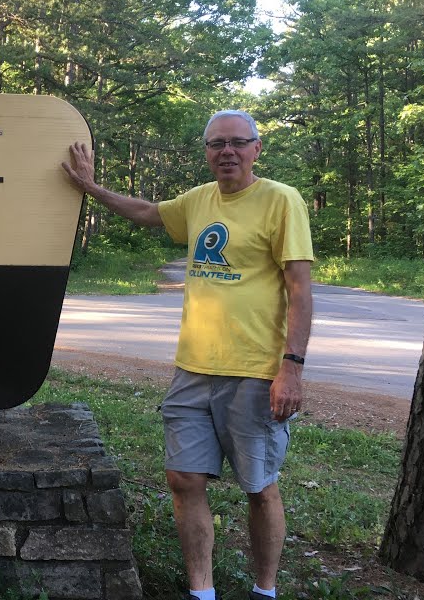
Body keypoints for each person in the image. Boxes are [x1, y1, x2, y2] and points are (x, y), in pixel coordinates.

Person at [61, 109, 313, 600]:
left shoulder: (281, 201)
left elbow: (300, 289)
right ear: (206, 152)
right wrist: (92, 189)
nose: (227, 151)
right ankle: (202, 593)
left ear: (257, 149)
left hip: (255, 372)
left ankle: (265, 590)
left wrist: (292, 367)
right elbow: (148, 212)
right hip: (193, 370)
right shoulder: (199, 201)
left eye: (239, 142)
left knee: (259, 486)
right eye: (217, 143)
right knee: (183, 479)